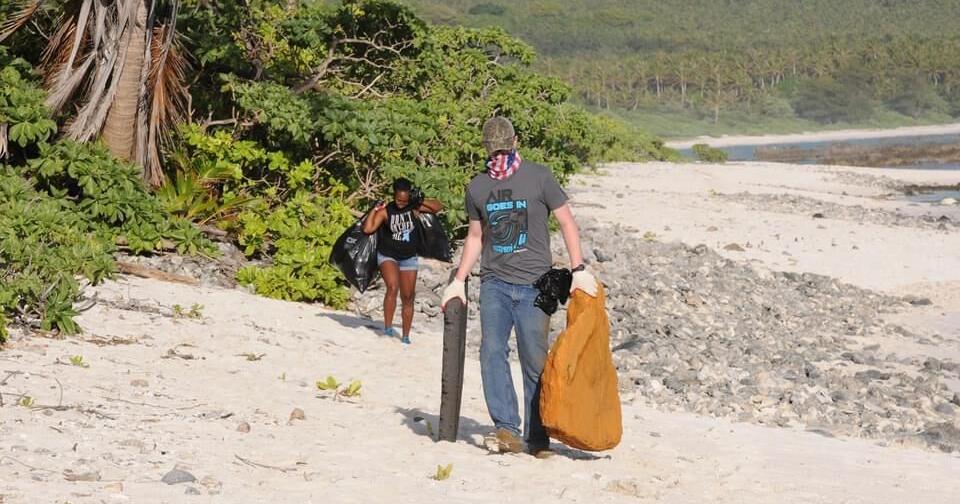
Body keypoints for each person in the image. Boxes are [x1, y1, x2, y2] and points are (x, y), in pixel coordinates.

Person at [440, 116, 598, 457]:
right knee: (491, 353)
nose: (498, 154)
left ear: (515, 142)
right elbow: (476, 235)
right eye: (492, 150)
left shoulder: (540, 177)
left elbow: (567, 221)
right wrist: (458, 280)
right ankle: (507, 430)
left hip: (534, 286)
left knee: (535, 362)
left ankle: (538, 439)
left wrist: (579, 268)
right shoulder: (478, 187)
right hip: (494, 283)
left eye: (502, 147)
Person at [363, 178, 443, 344]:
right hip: (388, 255)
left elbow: (438, 207)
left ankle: (406, 336)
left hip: (409, 258)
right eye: (398, 200)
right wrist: (374, 209)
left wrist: (420, 201)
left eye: (404, 200)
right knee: (392, 287)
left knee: (408, 297)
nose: (401, 203)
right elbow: (368, 228)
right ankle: (388, 329)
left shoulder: (413, 207)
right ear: (394, 195)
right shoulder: (387, 211)